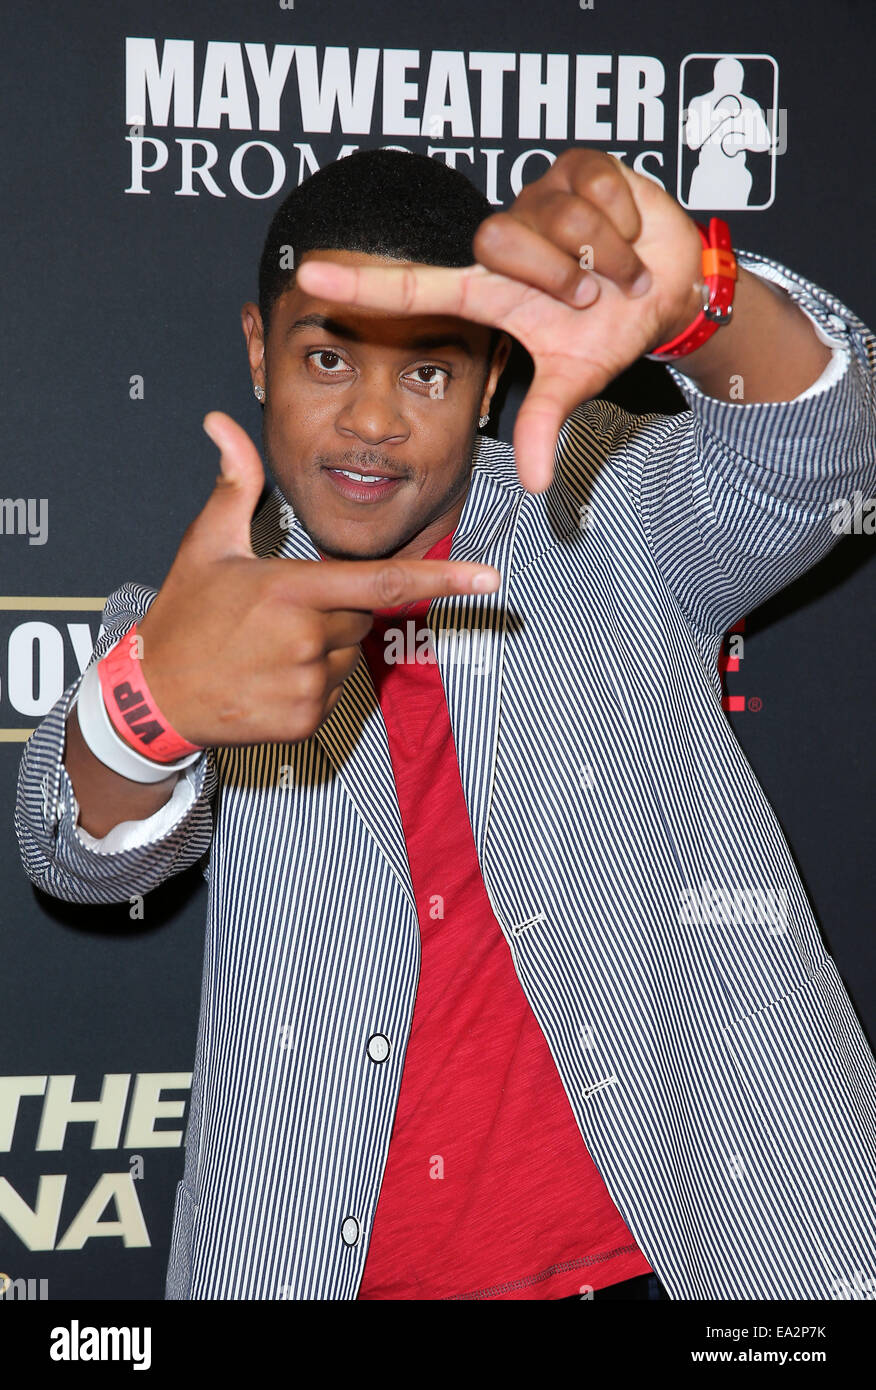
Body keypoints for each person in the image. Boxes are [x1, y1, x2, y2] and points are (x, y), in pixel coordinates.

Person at [15, 146, 876, 1301]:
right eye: (326, 357)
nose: (371, 420)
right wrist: (144, 714)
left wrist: (698, 305)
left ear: (487, 385)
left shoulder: (608, 506)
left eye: (427, 374)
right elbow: (72, 849)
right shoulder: (191, 617)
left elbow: (822, 461)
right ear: (260, 350)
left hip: (693, 1263)